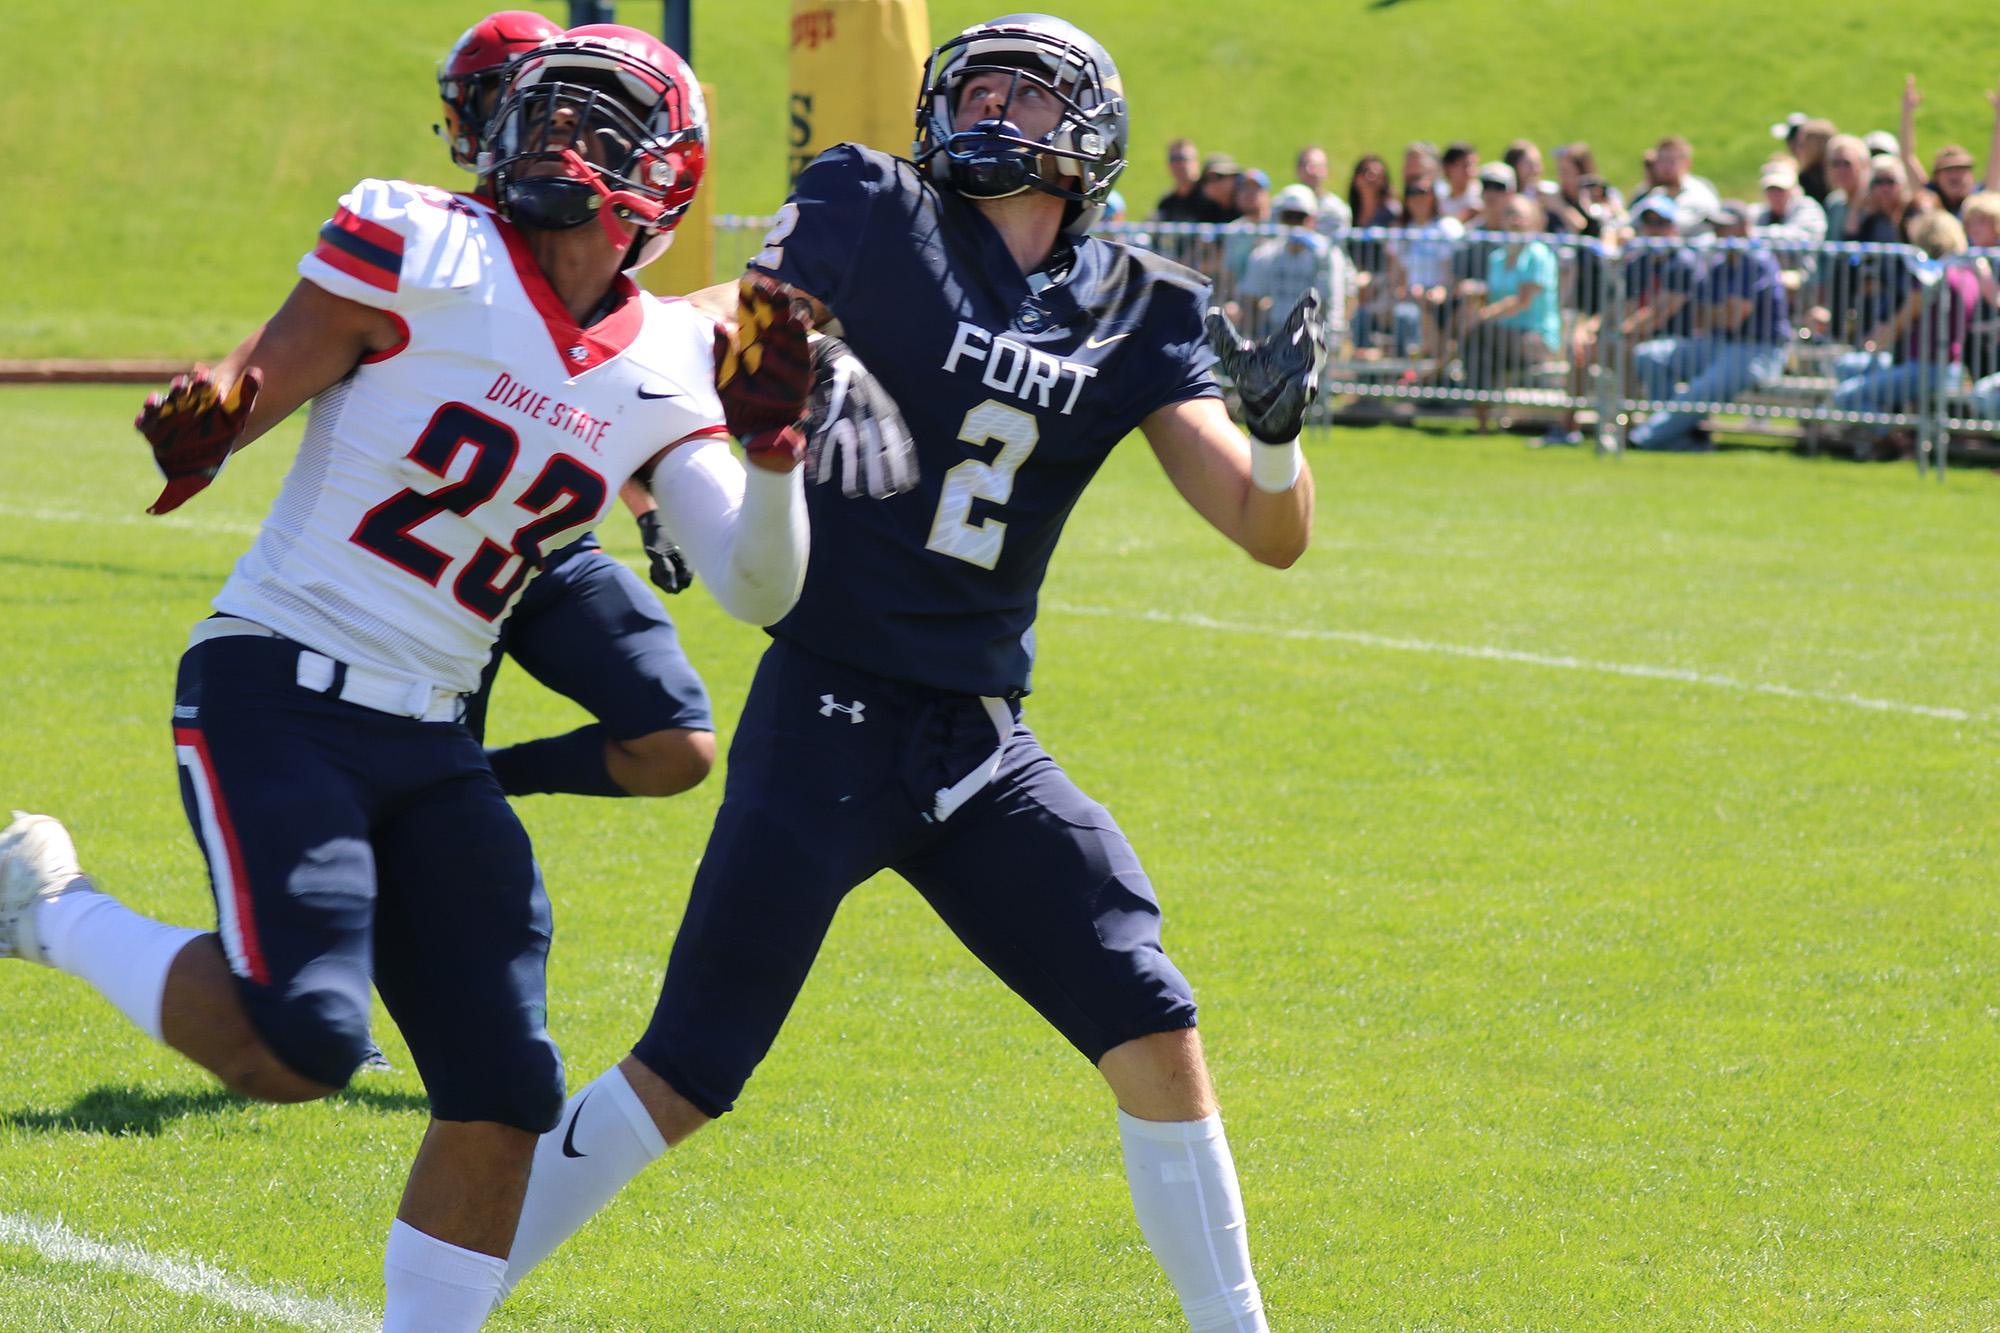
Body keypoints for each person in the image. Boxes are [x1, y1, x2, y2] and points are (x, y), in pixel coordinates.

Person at [490, 15, 1320, 1333]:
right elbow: (736, 319)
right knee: (687, 1071)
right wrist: (674, 426)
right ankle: (439, 1287)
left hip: (980, 742)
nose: (991, 112)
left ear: (1088, 135)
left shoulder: (1143, 304)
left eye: (1025, 97)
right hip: (827, 712)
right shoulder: (874, 203)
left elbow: (1269, 535)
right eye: (973, 87)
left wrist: (1276, 445)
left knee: (1153, 1017)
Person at [0, 27, 821, 1333]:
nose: (563, 147)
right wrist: (210, 416)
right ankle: (52, 908)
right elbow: (249, 384)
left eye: (602, 130)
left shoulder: (671, 356)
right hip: (281, 681)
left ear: (665, 176)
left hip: (432, 730)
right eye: (549, 117)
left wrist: (775, 452)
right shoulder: (417, 241)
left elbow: (757, 590)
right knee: (301, 1046)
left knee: (505, 1090)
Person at [431, 11, 719, 802]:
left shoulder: (588, 245)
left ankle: (475, 785)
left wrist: (650, 503)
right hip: (432, 551)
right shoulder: (438, 242)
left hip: (547, 542)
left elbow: (602, 378)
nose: (560, 121)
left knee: (675, 733)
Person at [1628, 202, 1791, 452]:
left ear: (1745, 227)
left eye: (1725, 227)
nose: (1720, 234)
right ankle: (1683, 439)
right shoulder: (1718, 264)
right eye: (1716, 228)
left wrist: (1718, 313)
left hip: (1758, 350)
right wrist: (1720, 312)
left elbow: (1732, 317)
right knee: (1650, 355)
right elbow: (1700, 317)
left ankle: (1642, 438)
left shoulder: (1757, 260)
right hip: (1718, 344)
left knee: (1702, 388)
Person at [1833, 208, 1981, 459]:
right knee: (1846, 366)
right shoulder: (1966, 274)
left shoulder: (1931, 278)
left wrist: (1875, 344)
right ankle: (1875, 437)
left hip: (1928, 367)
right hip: (1939, 364)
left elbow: (1900, 322)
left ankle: (1898, 442)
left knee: (1846, 396)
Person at [1455, 192, 1558, 433]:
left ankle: (1482, 420)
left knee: (1478, 336)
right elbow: (1493, 297)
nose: (1513, 220)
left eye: (1519, 215)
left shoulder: (1539, 255)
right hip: (1501, 336)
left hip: (1536, 340)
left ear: (1534, 221)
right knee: (1478, 351)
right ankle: (1483, 422)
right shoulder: (1497, 258)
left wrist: (1480, 317)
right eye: (1508, 214)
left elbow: (1522, 301)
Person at [1236, 183, 1342, 341]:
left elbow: (1330, 303)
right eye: (1288, 217)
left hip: (1311, 336)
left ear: (1312, 220)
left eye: (1299, 218)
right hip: (1274, 333)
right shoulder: (1266, 254)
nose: (1293, 224)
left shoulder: (1326, 255)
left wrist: (1330, 341)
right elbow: (1250, 298)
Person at [1754, 159, 1826, 248]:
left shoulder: (1809, 208)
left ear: (1793, 189)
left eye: (1781, 189)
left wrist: (1753, 233)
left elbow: (1797, 237)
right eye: (1771, 189)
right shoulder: (1760, 213)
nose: (1775, 194)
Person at [1822, 133, 1870, 241]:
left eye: (1847, 163)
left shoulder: (1874, 204)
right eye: (1835, 163)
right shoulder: (1834, 203)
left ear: (1863, 165)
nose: (1841, 170)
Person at [1295, 143, 1353, 232]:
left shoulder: (1337, 210)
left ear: (1326, 171)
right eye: (1306, 164)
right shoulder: (1280, 205)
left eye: (1317, 166)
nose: (1311, 171)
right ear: (1297, 169)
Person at [1153, 136, 1204, 222]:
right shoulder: (1167, 203)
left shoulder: (1209, 197)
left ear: (1197, 162)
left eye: (1184, 158)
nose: (1179, 164)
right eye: (1174, 159)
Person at [1438, 141, 1481, 223]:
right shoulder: (1439, 197)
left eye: (1474, 165)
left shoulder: (1482, 194)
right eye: (1465, 166)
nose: (1470, 172)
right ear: (1448, 167)